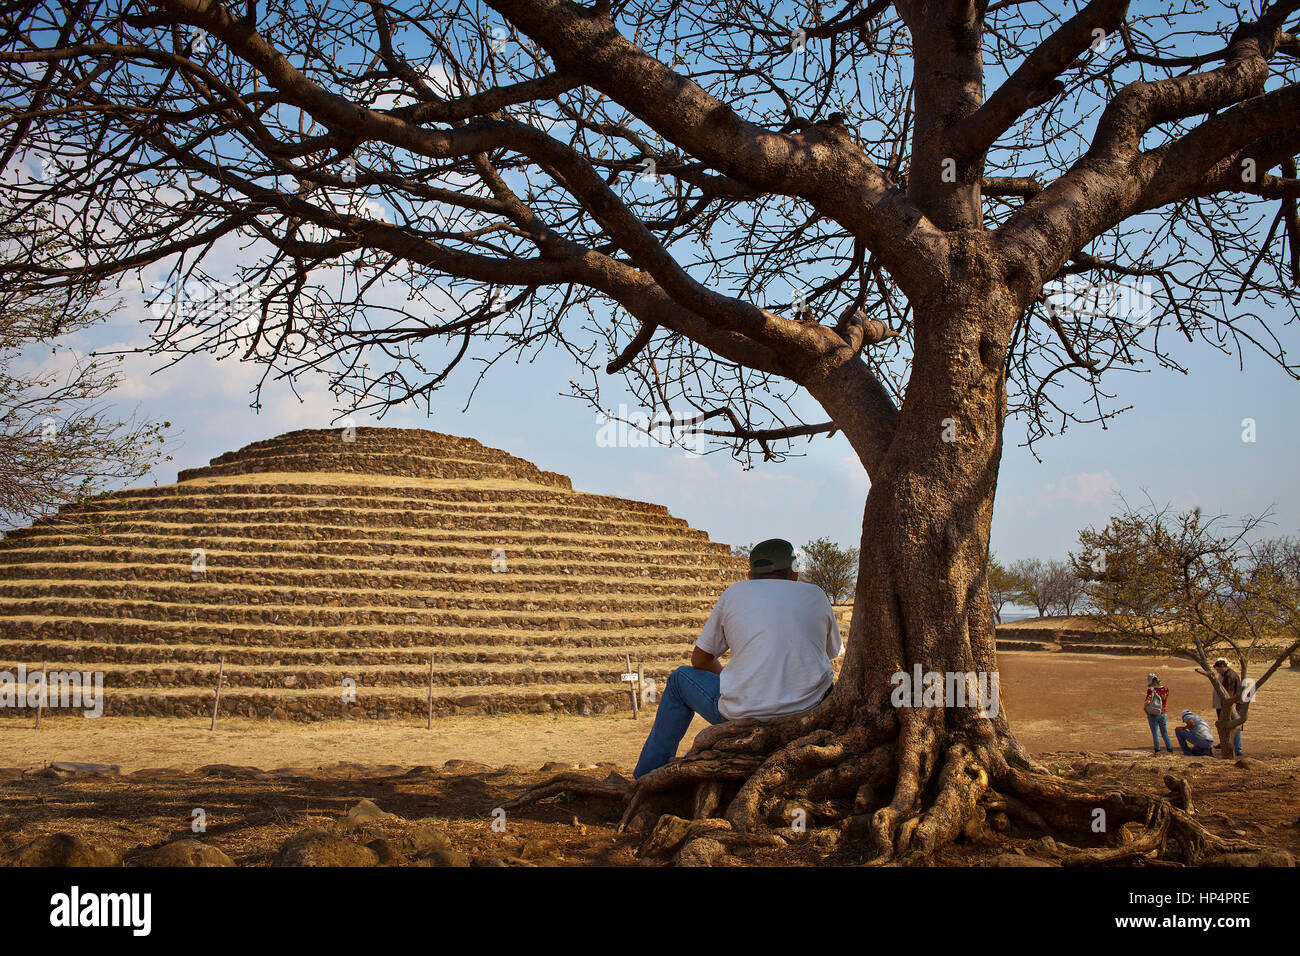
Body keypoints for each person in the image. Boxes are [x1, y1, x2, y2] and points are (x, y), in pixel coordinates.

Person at [632, 538, 843, 778]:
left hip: (743, 713)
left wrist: (731, 680)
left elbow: (699, 660)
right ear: (794, 573)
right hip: (807, 711)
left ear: (751, 575)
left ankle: (646, 775)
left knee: (681, 678)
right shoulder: (816, 594)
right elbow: (832, 652)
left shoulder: (735, 592)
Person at [1210, 657, 1244, 756]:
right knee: (1226, 726)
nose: (1218, 672)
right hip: (1227, 706)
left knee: (1234, 727)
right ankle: (1225, 744)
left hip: (1233, 706)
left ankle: (1238, 749)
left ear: (1223, 666)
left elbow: (1229, 693)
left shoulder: (1230, 676)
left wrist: (1227, 707)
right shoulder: (1226, 675)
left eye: (1218, 669)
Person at [1144, 673, 1173, 754]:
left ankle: (1157, 750)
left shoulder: (1151, 690)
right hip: (1163, 712)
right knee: (1164, 733)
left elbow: (1148, 701)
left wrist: (1145, 708)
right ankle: (1170, 749)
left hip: (1153, 713)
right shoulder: (1166, 688)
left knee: (1155, 733)